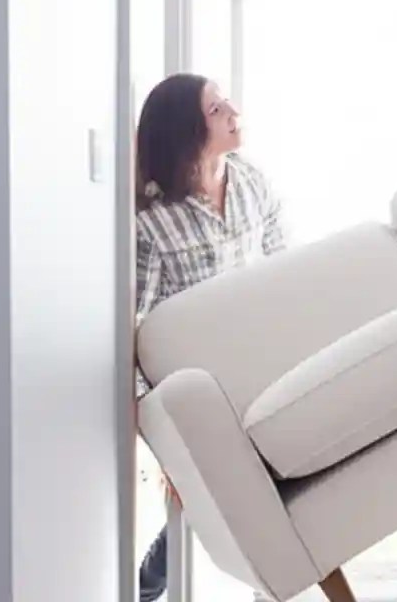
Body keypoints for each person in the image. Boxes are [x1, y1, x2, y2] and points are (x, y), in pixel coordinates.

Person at [133, 73, 288, 601]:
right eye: (216, 109)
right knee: (213, 495)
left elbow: (285, 265)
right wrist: (151, 423)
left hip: (260, 364)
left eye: (226, 102)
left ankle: (152, 582)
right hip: (197, 386)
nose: (232, 111)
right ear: (187, 130)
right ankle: (148, 585)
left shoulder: (252, 182)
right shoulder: (154, 223)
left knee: (261, 485)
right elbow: (136, 325)